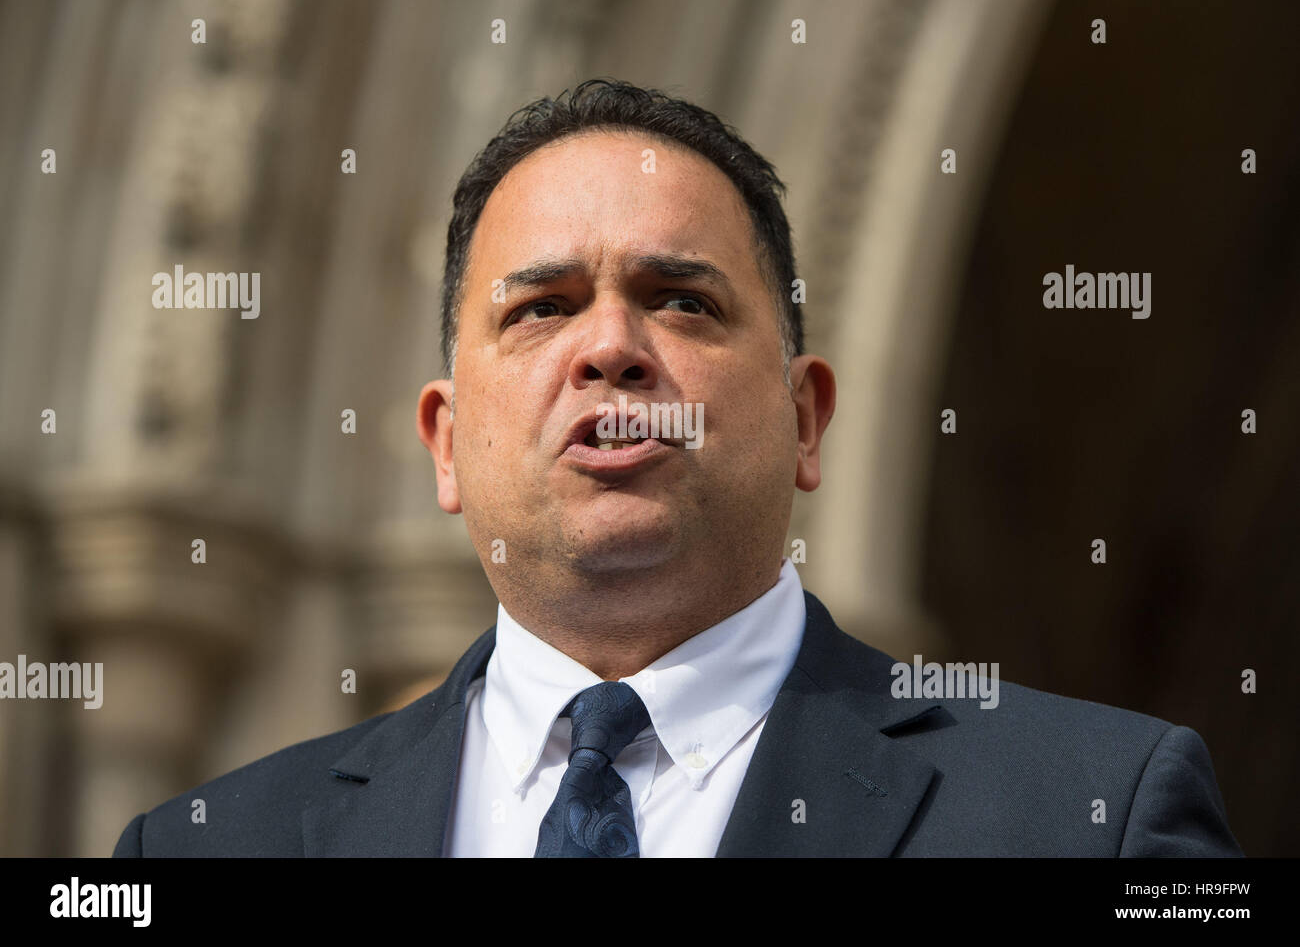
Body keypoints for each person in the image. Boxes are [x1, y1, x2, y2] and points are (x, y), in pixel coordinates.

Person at [113, 79, 1241, 857]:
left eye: (681, 300)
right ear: (446, 442)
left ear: (805, 418)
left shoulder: (1092, 815)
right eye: (543, 307)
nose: (609, 346)